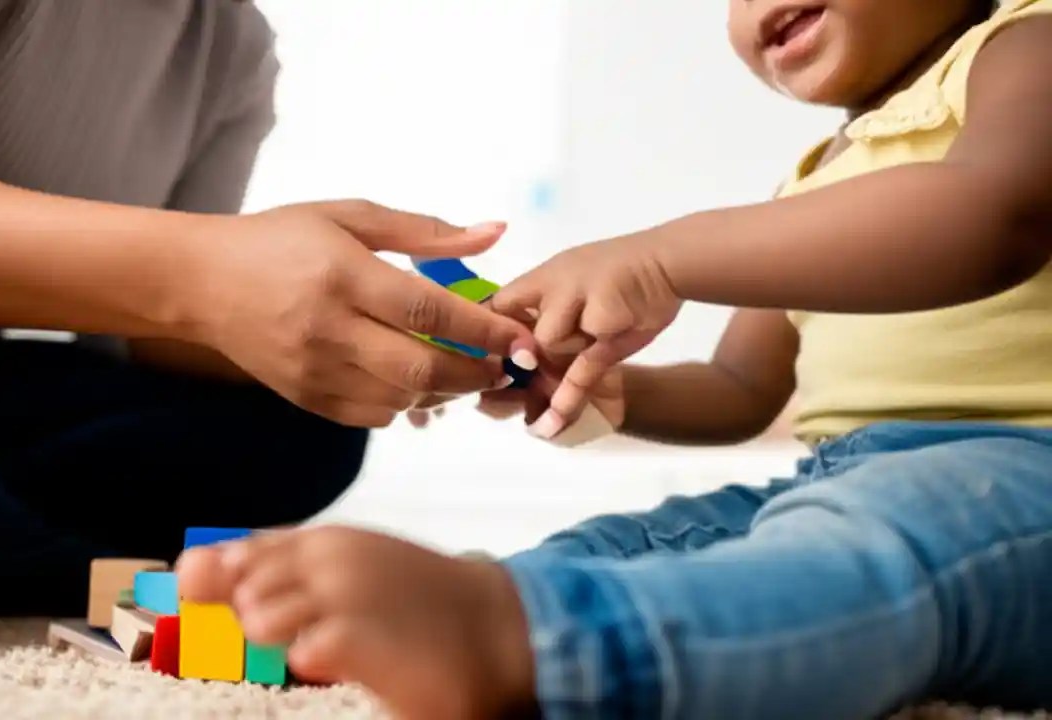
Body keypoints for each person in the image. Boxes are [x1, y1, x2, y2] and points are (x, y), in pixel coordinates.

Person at [176, 1, 1052, 718]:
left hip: (1026, 478)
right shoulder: (815, 179)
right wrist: (617, 392)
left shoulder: (1025, 43)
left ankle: (535, 645)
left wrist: (660, 256)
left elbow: (992, 212)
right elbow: (741, 389)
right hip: (841, 476)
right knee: (628, 545)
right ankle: (476, 615)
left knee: (871, 550)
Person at [0, 1, 538, 634]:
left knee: (307, 427)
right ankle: (36, 566)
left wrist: (373, 331)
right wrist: (202, 268)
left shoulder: (229, 45)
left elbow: (146, 326)